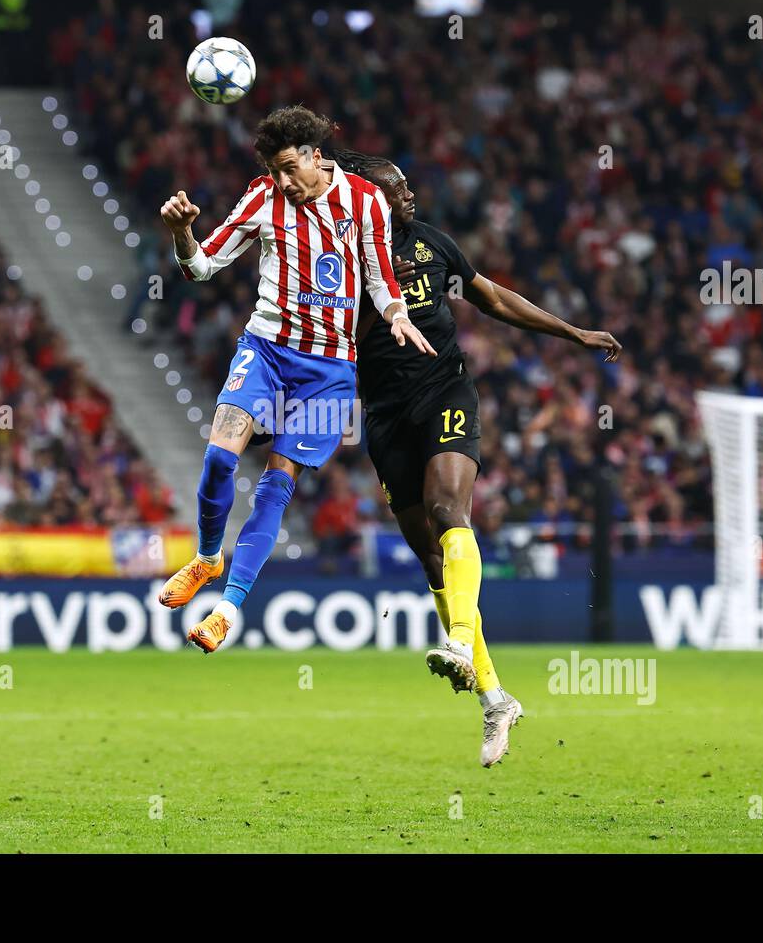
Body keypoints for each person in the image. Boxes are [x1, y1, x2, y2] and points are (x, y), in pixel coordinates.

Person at [334, 148, 622, 766]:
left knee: (447, 508)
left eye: (409, 187)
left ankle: (460, 642)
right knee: (432, 560)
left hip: (444, 392)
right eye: (397, 190)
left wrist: (572, 333)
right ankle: (495, 700)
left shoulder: (432, 246)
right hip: (384, 416)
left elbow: (492, 299)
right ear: (366, 200)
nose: (410, 197)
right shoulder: (338, 262)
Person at [157, 108, 435, 653]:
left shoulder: (365, 201)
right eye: (273, 170)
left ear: (314, 155)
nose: (283, 181)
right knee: (218, 457)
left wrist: (398, 313)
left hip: (331, 372)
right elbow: (203, 266)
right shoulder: (263, 196)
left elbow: (379, 277)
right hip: (266, 350)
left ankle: (227, 608)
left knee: (277, 486)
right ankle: (208, 557)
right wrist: (182, 235)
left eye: (289, 168)